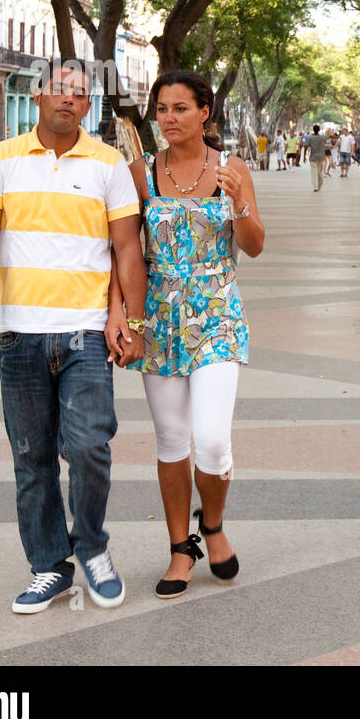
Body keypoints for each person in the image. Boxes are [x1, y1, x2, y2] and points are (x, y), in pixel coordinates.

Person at [0, 62, 147, 613]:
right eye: (59, 89)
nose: (69, 100)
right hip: (18, 337)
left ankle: (91, 546)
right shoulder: (2, 159)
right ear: (38, 96)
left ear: (89, 107)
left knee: (89, 446)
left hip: (85, 332)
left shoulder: (108, 165)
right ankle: (49, 565)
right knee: (30, 457)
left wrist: (132, 321)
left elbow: (127, 249)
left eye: (81, 94)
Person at [119, 70, 266, 599]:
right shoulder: (140, 172)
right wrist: (126, 319)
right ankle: (181, 549)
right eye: (161, 109)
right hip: (159, 321)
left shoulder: (232, 168)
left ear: (205, 112)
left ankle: (215, 522)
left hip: (218, 317)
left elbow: (253, 245)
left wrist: (239, 201)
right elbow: (125, 251)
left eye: (180, 108)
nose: (168, 119)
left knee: (211, 439)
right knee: (170, 441)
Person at [306, 124, 327, 191]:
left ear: (313, 130)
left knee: (314, 172)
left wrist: (303, 156)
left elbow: (306, 146)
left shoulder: (310, 137)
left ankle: (315, 186)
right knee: (319, 172)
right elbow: (331, 137)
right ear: (319, 130)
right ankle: (320, 185)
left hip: (313, 157)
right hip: (321, 157)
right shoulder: (322, 137)